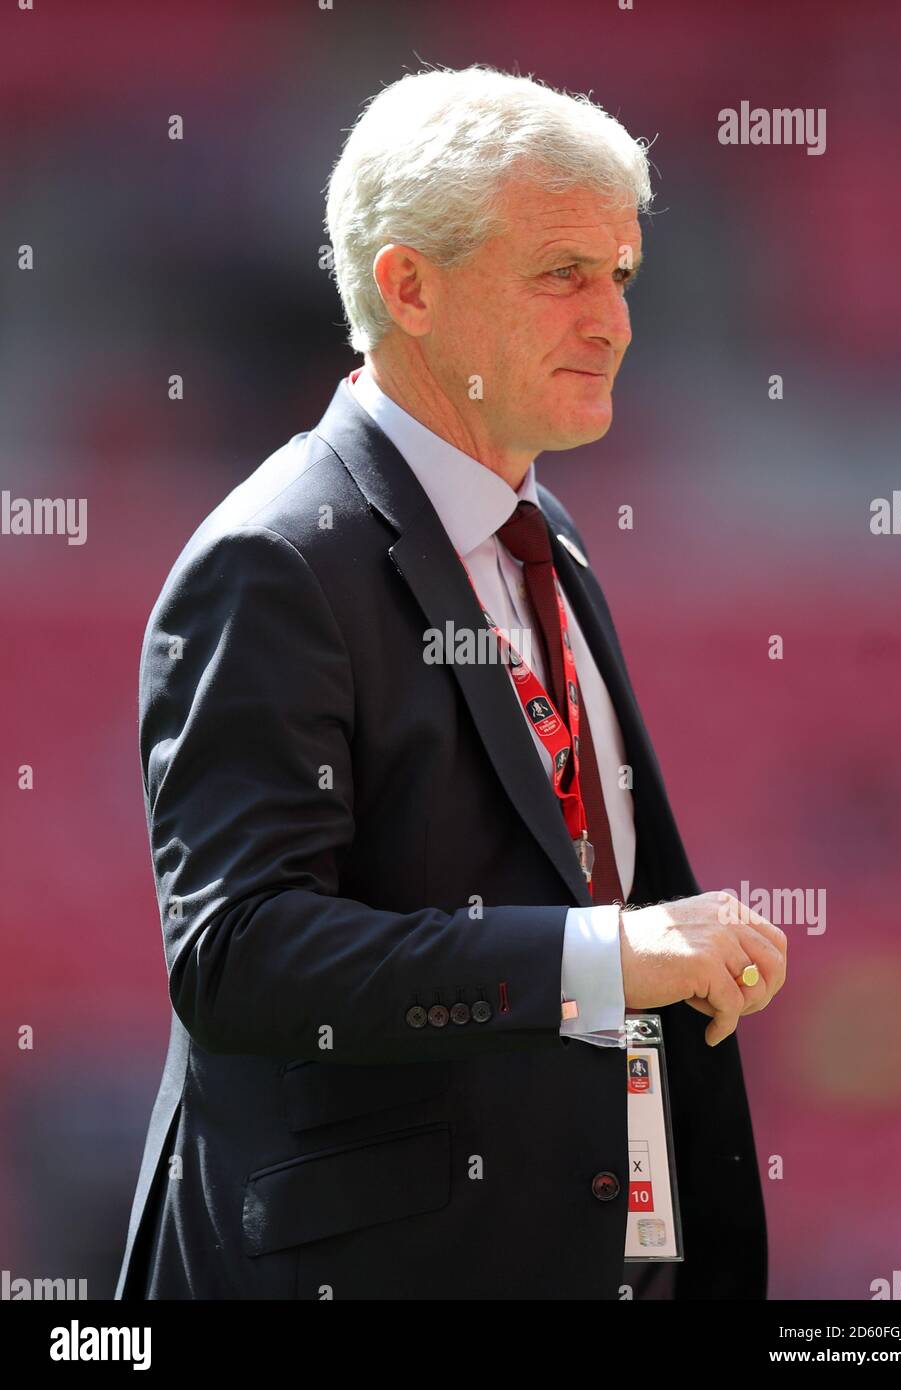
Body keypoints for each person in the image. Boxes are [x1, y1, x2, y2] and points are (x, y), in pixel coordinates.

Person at [115, 63, 785, 1301]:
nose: (615, 321)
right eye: (562, 275)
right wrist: (604, 953)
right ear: (409, 287)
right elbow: (240, 956)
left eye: (622, 275)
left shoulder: (548, 532)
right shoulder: (277, 559)